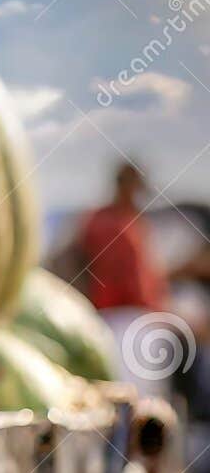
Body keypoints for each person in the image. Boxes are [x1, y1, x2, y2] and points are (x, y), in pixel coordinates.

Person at [79, 162, 174, 397]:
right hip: (120, 321)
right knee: (130, 398)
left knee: (146, 399)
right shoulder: (104, 222)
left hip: (139, 321)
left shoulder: (133, 223)